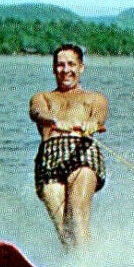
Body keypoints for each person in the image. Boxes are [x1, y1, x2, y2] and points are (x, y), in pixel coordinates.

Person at [28, 43, 109, 248]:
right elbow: (36, 113)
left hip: (82, 153)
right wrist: (55, 121)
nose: (66, 70)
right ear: (53, 68)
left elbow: (99, 117)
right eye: (60, 65)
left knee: (77, 216)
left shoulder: (95, 98)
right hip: (49, 158)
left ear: (81, 67)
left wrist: (92, 124)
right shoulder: (42, 98)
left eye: (71, 64)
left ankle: (87, 262)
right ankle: (75, 264)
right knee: (64, 231)